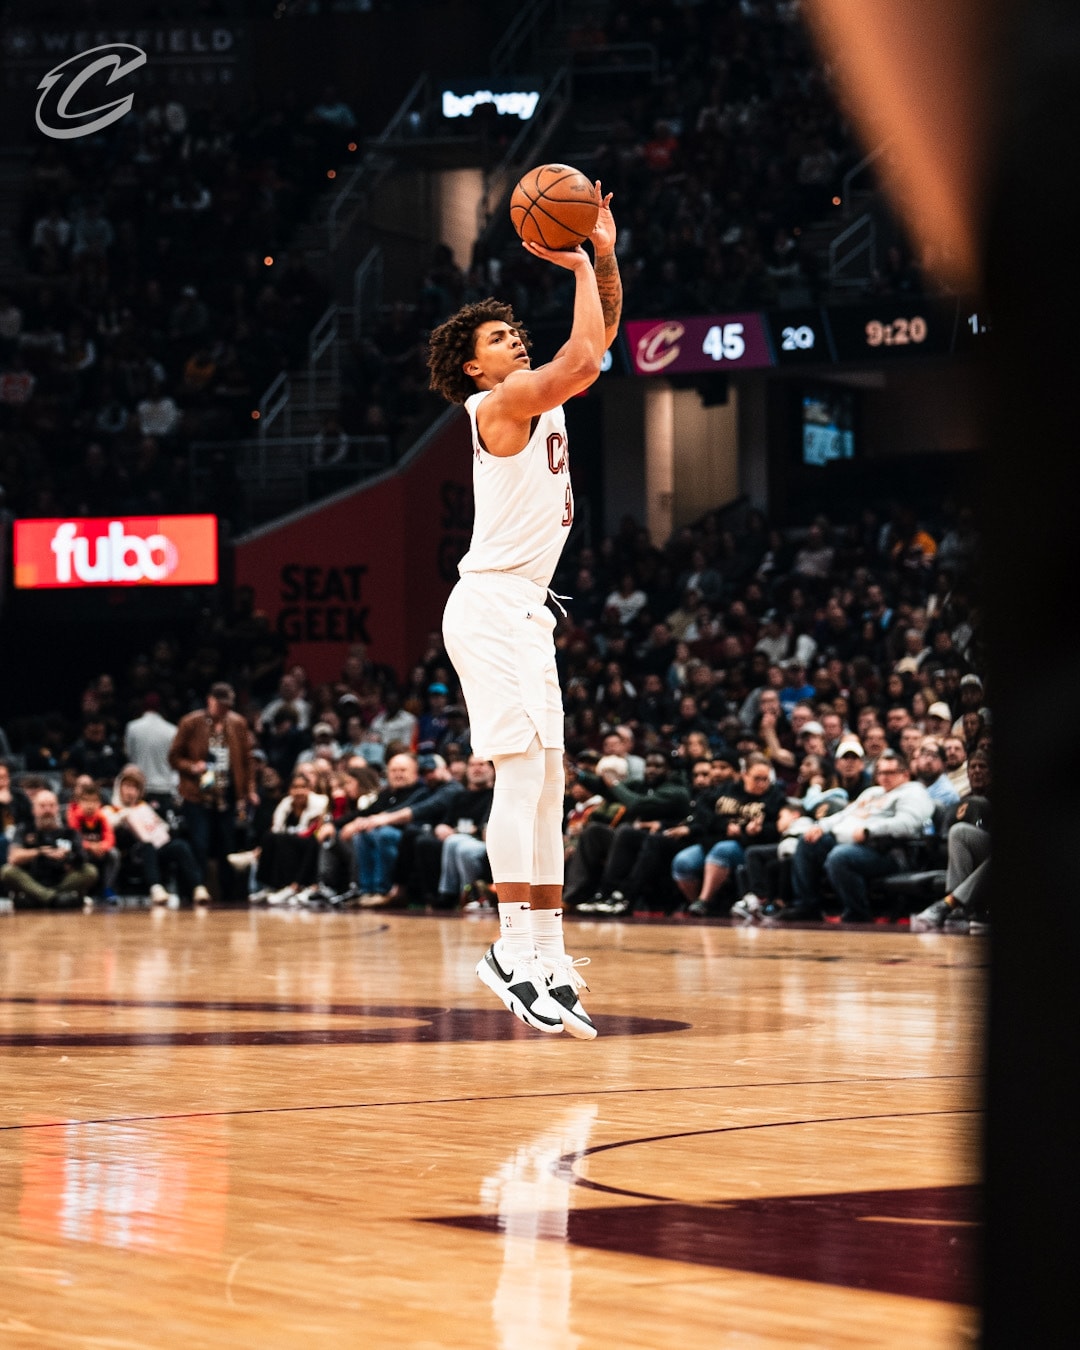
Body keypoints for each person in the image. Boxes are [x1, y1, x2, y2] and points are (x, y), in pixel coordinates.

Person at [426, 180, 621, 1038]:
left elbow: (597, 341)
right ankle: (509, 949)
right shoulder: (498, 403)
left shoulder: (538, 389)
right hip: (490, 605)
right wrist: (577, 260)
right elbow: (582, 358)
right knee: (520, 776)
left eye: (515, 330)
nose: (517, 339)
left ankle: (543, 952)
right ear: (476, 366)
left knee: (547, 787)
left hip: (528, 609)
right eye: (502, 337)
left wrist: (604, 255)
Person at [777, 749, 935, 923]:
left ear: (905, 774)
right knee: (808, 842)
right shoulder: (873, 792)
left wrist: (870, 831)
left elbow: (908, 824)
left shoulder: (913, 792)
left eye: (890, 772)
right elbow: (844, 815)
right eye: (880, 772)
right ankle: (807, 906)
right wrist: (820, 826)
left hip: (888, 851)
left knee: (840, 856)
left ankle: (858, 913)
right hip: (850, 842)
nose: (884, 777)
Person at [168, 682, 257, 902]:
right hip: (197, 794)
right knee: (200, 843)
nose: (225, 710)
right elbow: (174, 757)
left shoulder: (237, 723)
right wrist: (192, 766)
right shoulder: (191, 722)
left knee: (227, 844)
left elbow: (247, 760)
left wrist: (249, 790)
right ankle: (197, 889)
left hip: (226, 793)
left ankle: (228, 895)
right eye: (221, 705)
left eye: (228, 706)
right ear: (210, 701)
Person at [107, 764, 205, 905]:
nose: (130, 792)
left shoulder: (144, 807)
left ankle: (198, 887)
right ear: (119, 788)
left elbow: (162, 826)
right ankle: (156, 888)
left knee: (180, 846)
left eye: (134, 788)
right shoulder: (112, 809)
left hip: (156, 849)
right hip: (132, 853)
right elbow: (107, 825)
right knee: (147, 845)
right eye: (127, 787)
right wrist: (124, 816)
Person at [0, 790, 98, 907]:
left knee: (90, 871)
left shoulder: (69, 832)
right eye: (42, 806)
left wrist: (68, 857)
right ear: (34, 809)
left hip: (61, 881)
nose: (47, 810)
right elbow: (13, 857)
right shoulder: (24, 829)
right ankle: (53, 899)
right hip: (33, 880)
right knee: (7, 871)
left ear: (57, 808)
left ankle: (41, 898)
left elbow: (83, 859)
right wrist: (40, 852)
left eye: (51, 805)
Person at [122, 693, 179, 810]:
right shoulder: (172, 730)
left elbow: (129, 755)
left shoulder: (132, 727)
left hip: (139, 789)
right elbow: (175, 761)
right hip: (164, 788)